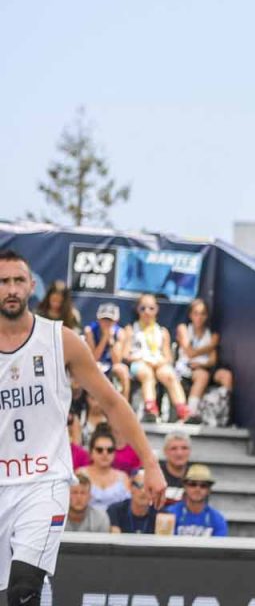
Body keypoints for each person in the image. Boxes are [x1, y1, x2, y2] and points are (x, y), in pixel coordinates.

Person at [0, 249, 166, 602]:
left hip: (43, 482)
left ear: (32, 286)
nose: (11, 289)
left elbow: (112, 402)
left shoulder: (61, 340)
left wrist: (150, 464)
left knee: (23, 590)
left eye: (18, 280)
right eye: (3, 282)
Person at [123, 294, 189, 422]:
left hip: (158, 363)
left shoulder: (162, 332)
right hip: (139, 363)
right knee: (147, 374)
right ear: (138, 310)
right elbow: (125, 355)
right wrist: (142, 359)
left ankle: (183, 410)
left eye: (151, 308)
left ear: (156, 309)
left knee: (169, 374)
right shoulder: (131, 330)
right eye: (143, 308)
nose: (147, 312)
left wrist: (158, 362)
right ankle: (150, 409)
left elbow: (168, 357)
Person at [174, 298, 233, 423]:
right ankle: (191, 413)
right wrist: (211, 346)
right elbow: (189, 353)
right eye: (196, 313)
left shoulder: (211, 334)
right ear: (190, 315)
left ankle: (220, 413)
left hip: (205, 368)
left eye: (203, 314)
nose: (199, 317)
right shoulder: (183, 328)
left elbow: (212, 360)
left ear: (207, 316)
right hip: (185, 368)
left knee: (226, 376)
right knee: (202, 376)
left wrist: (201, 362)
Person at [82, 302, 131, 397]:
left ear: (115, 321)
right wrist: (104, 338)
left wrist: (111, 340)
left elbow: (117, 361)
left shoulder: (120, 333)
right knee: (97, 367)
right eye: (104, 319)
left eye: (110, 320)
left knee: (122, 370)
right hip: (96, 364)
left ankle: (125, 404)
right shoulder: (90, 331)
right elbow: (94, 358)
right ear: (98, 319)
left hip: (111, 365)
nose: (106, 323)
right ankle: (94, 404)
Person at [165, 463, 227, 536]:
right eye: (193, 484)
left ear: (209, 490)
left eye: (203, 485)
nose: (197, 489)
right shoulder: (170, 514)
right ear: (185, 486)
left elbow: (219, 546)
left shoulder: (217, 519)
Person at [80, 426, 131, 512]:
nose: (105, 454)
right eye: (99, 450)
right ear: (91, 452)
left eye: (110, 450)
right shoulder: (81, 474)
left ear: (114, 453)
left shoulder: (123, 477)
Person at [106, 470, 158, 534]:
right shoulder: (115, 510)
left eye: (149, 488)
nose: (143, 491)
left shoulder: (160, 515)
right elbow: (114, 540)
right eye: (139, 486)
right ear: (130, 486)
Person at [159, 432, 192, 503]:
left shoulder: (196, 477)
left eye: (184, 448)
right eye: (173, 448)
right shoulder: (156, 475)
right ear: (165, 452)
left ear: (190, 451)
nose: (179, 453)